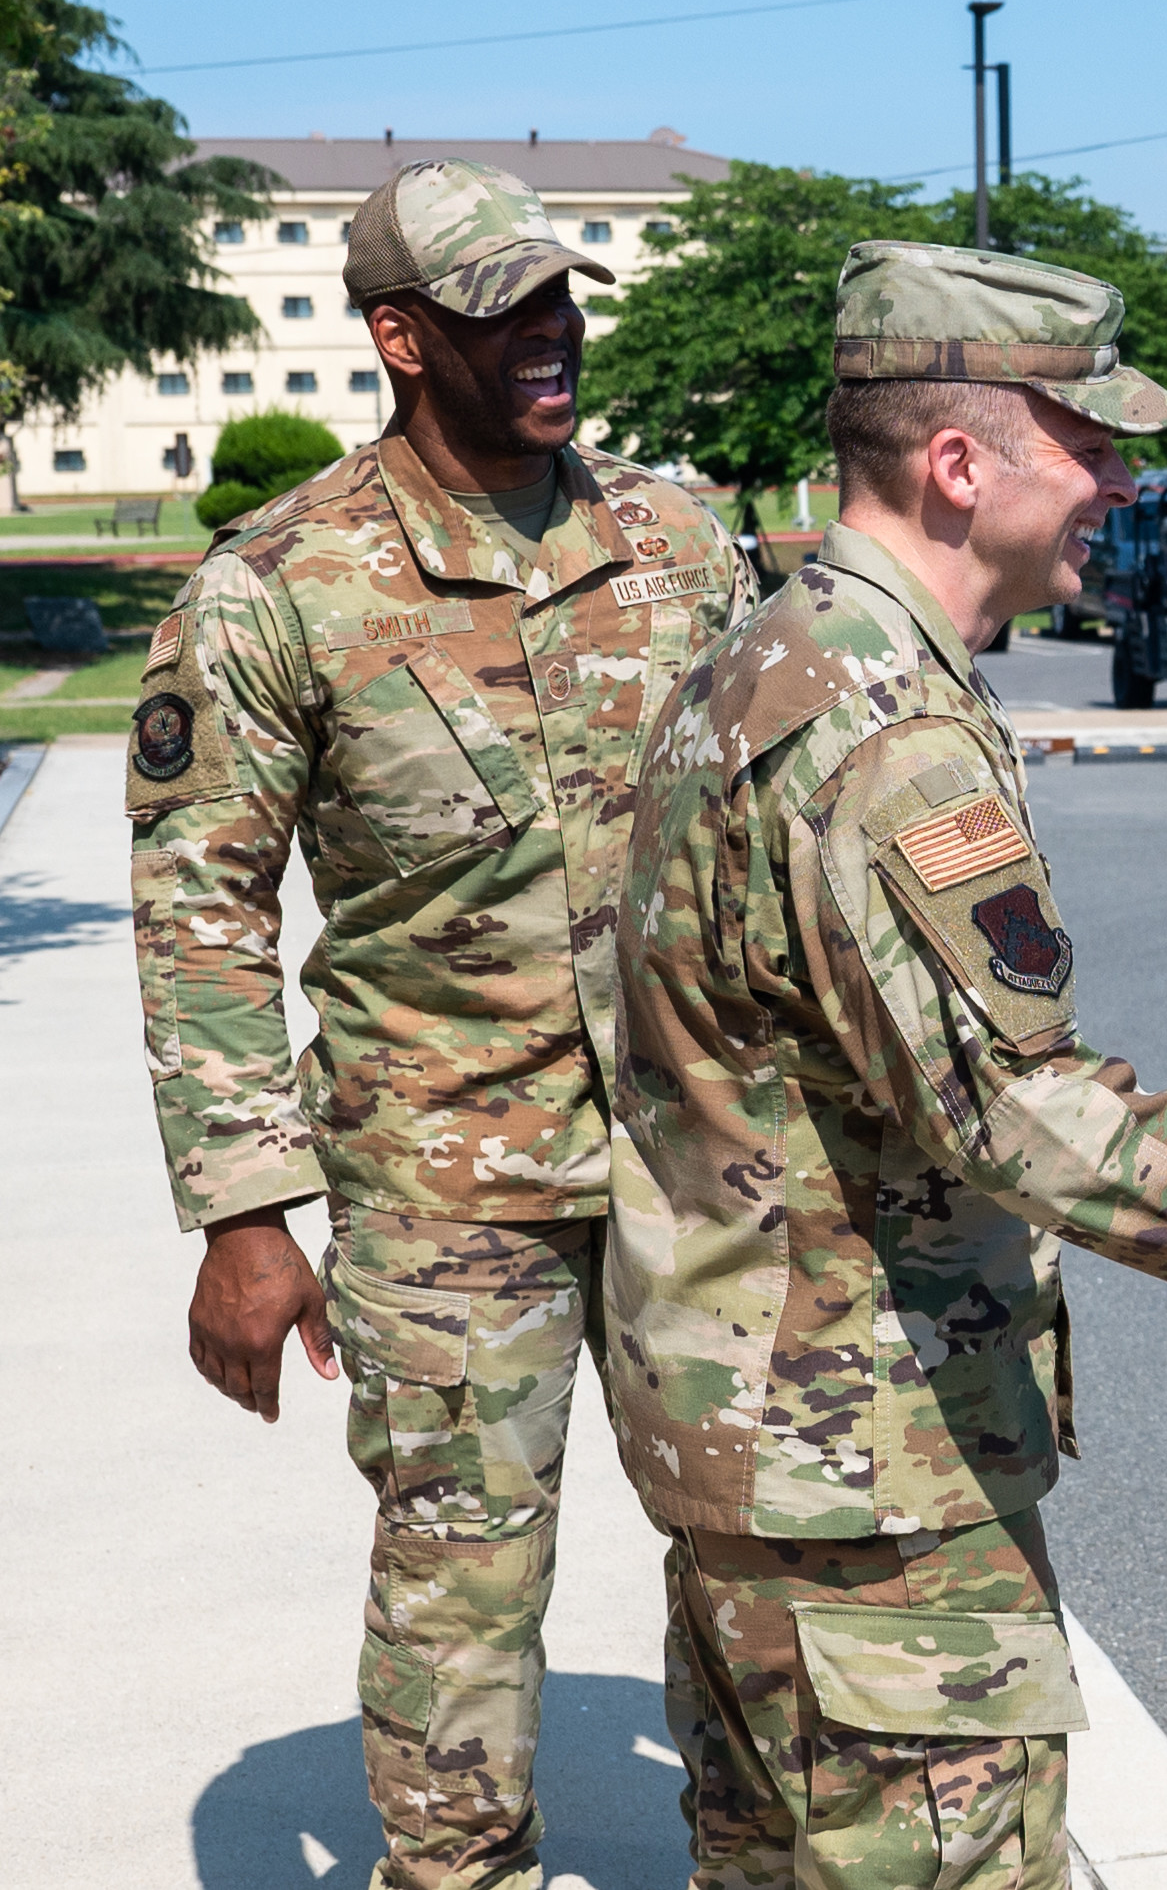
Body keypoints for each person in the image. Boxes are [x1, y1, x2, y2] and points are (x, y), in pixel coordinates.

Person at [608, 240, 1167, 1889]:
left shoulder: (768, 656)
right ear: (959, 465)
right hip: (864, 1475)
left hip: (758, 1440)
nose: (1124, 477)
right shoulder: (879, 726)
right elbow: (1029, 1110)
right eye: (1089, 439)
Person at [127, 157, 754, 1889]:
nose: (551, 336)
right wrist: (246, 1216)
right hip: (441, 1185)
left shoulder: (684, 538)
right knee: (463, 1591)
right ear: (404, 337)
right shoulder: (277, 589)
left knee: (750, 1557)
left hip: (705, 1167)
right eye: (503, 314)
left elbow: (779, 839)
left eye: (559, 301)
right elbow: (201, 919)